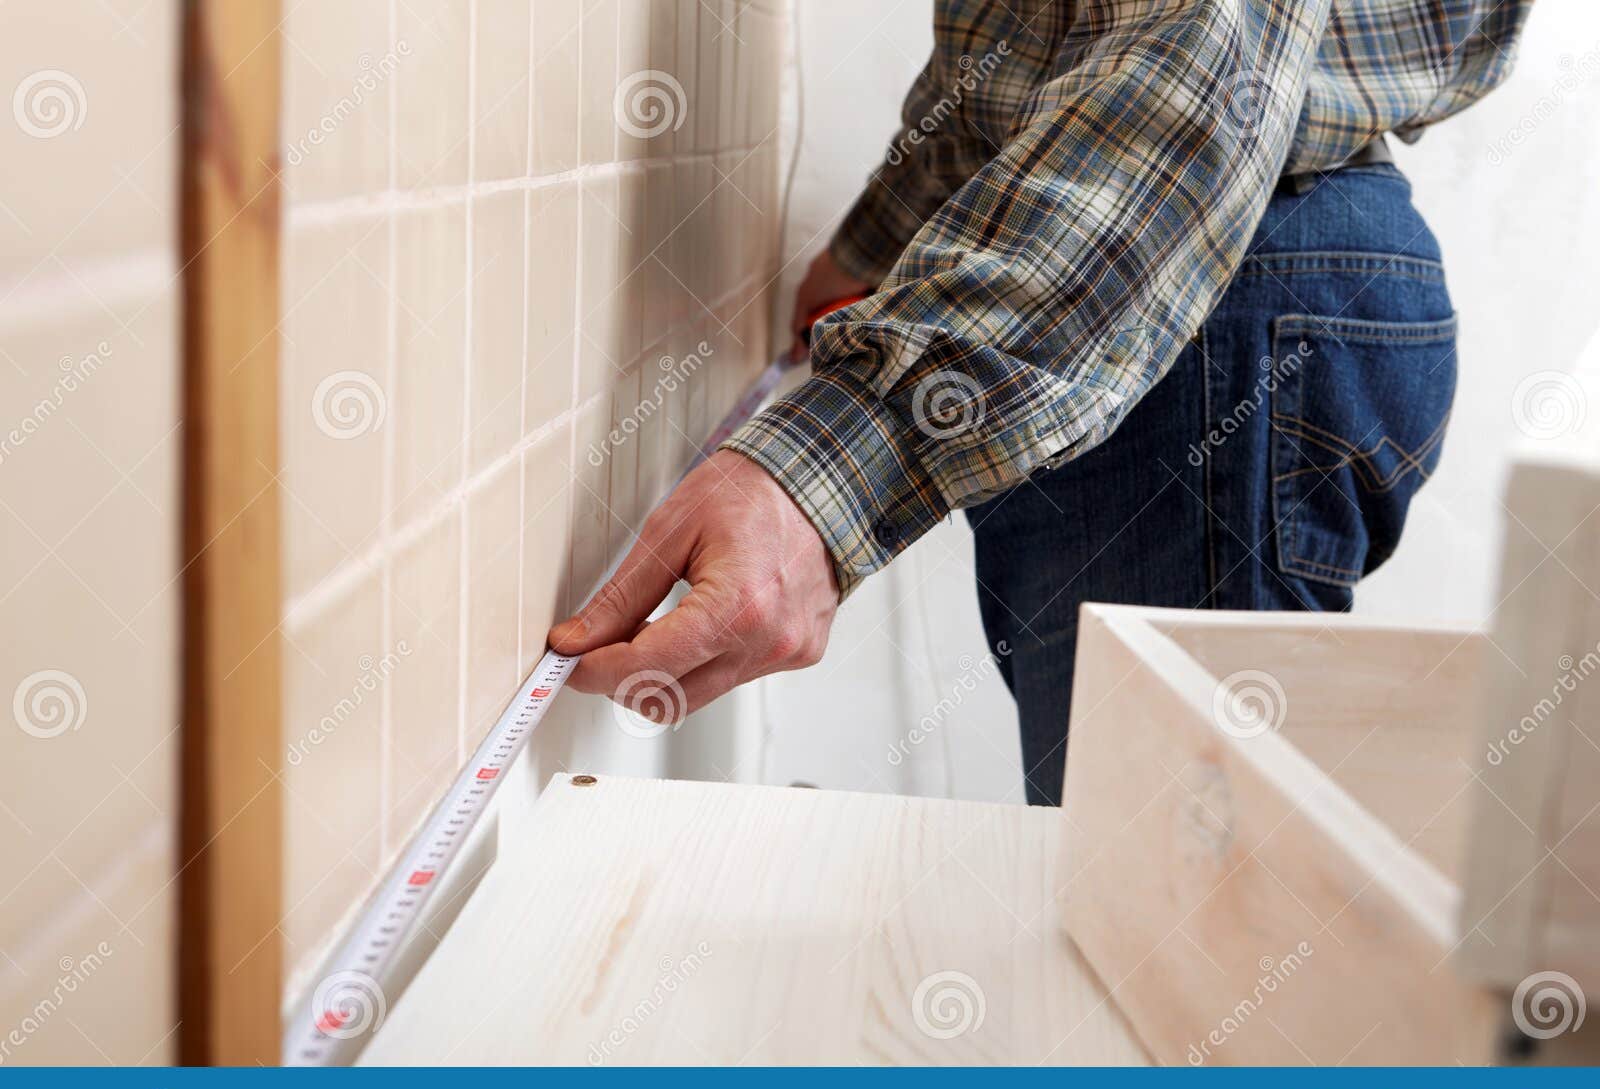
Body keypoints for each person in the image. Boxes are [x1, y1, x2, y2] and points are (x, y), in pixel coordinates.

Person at [550, 0, 1533, 806]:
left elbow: (1188, 84)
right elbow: (1033, 45)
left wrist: (823, 480)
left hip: (1199, 300)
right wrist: (875, 248)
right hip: (1202, 297)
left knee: (1157, 926)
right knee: (1136, 883)